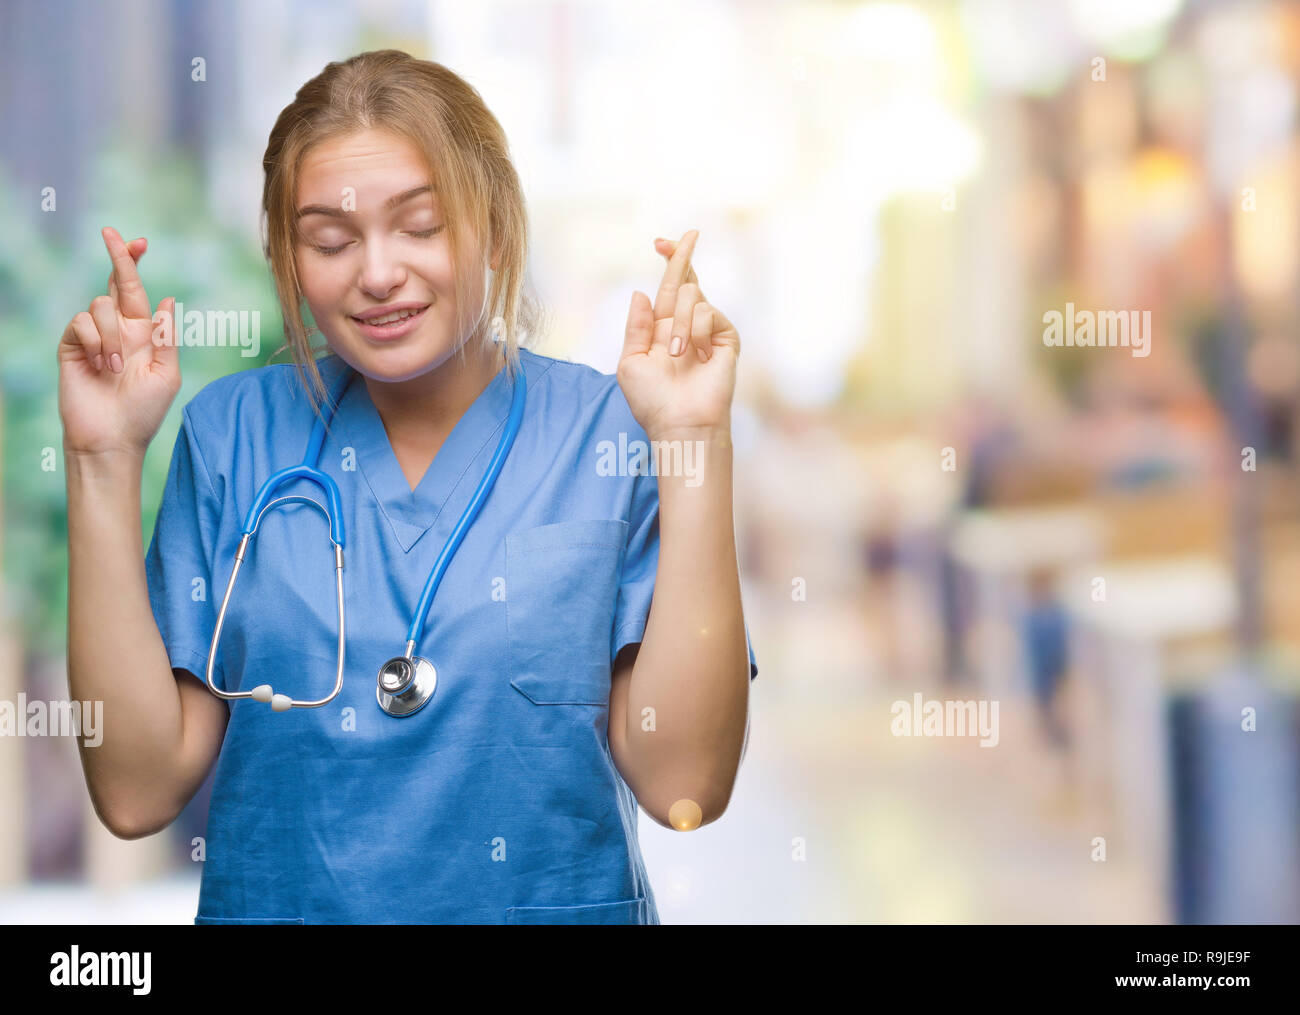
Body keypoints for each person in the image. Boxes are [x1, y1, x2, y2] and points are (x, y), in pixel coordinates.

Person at [60, 49, 757, 925]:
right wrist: (100, 455)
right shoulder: (232, 436)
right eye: (330, 241)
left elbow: (686, 782)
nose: (378, 273)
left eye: (421, 225)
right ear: (289, 259)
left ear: (495, 228)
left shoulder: (609, 434)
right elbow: (135, 791)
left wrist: (694, 442)